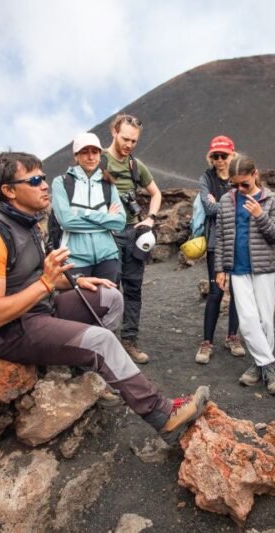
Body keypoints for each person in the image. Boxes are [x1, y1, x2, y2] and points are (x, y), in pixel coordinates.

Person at [0, 151, 208, 445]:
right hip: (12, 330)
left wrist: (78, 281)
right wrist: (46, 283)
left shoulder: (28, 226)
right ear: (9, 190)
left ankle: (89, 367)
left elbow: (32, 279)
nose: (45, 184)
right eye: (34, 180)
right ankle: (161, 414)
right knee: (101, 341)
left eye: (43, 177)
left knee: (110, 297)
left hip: (41, 310)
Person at [214, 155, 275, 395]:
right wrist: (220, 268)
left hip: (263, 267)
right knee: (246, 320)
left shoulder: (271, 200)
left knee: (265, 319)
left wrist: (259, 215)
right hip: (237, 268)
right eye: (234, 184)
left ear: (255, 174)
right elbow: (221, 237)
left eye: (244, 184)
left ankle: (258, 365)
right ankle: (270, 367)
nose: (240, 189)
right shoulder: (226, 200)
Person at [104, 113, 162, 364]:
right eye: (125, 139)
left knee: (133, 289)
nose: (129, 145)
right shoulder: (98, 160)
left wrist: (150, 218)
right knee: (108, 290)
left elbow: (156, 193)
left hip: (132, 233)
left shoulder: (135, 166)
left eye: (134, 141)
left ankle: (129, 341)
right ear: (114, 132)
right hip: (106, 234)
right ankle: (105, 344)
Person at [194, 135, 246, 364]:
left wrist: (219, 203)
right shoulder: (206, 178)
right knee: (215, 291)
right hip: (216, 242)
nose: (220, 160)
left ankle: (232, 336)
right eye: (215, 156)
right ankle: (207, 341)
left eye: (223, 155)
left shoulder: (240, 175)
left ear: (232, 155)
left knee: (238, 291)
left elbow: (245, 204)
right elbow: (208, 208)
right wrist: (231, 203)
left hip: (239, 241)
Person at [48, 132, 125, 283]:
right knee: (78, 299)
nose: (91, 157)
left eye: (95, 152)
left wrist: (83, 213)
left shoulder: (108, 184)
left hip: (108, 257)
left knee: (109, 297)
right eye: (85, 152)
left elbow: (120, 223)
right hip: (74, 260)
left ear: (100, 155)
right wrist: (107, 219)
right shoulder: (61, 183)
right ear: (76, 156)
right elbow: (67, 222)